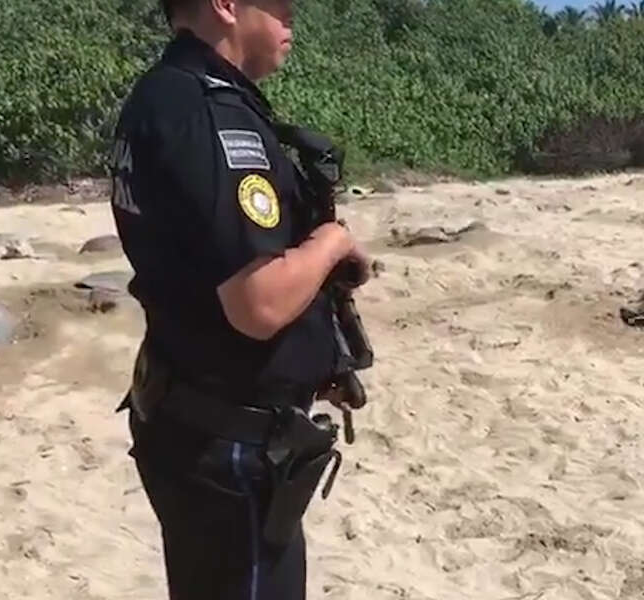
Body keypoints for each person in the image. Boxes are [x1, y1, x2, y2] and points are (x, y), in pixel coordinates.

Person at [107, 1, 370, 598]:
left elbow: (195, 268)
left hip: (186, 407)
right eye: (279, 3)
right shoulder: (209, 113)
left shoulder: (164, 95)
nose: (293, 14)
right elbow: (257, 303)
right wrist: (331, 243)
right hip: (228, 451)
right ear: (226, 6)